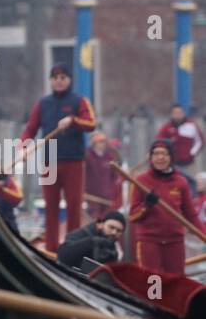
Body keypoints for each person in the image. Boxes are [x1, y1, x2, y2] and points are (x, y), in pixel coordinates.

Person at [20, 64, 96, 250]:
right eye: (55, 78)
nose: (59, 81)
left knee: (73, 206)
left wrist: (73, 121)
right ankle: (52, 248)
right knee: (50, 207)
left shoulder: (79, 101)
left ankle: (72, 246)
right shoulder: (43, 103)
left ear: (69, 80)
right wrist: (23, 147)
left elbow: (91, 124)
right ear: (51, 81)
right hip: (49, 161)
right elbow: (30, 129)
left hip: (73, 161)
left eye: (63, 77)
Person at [128, 139, 206, 276]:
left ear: (171, 157)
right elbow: (133, 216)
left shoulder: (181, 182)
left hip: (175, 241)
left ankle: (173, 298)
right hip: (149, 241)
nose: (160, 157)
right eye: (156, 154)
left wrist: (204, 235)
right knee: (154, 281)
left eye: (164, 154)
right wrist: (147, 205)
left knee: (176, 280)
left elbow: (191, 215)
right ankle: (154, 298)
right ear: (151, 158)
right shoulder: (140, 181)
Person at [57, 212, 125, 271]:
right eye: (111, 227)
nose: (114, 232)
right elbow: (63, 256)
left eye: (118, 231)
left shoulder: (113, 250)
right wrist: (90, 242)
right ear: (101, 224)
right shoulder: (81, 234)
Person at [83, 130, 122, 220]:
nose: (103, 144)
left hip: (106, 196)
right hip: (92, 197)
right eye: (100, 142)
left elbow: (114, 176)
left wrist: (112, 190)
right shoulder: (87, 156)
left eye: (104, 142)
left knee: (106, 219)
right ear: (94, 143)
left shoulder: (109, 156)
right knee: (93, 219)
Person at [155, 103, 204, 171]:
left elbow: (200, 141)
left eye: (179, 112)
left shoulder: (191, 125)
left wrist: (192, 153)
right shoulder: (166, 128)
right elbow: (159, 142)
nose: (177, 115)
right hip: (172, 163)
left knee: (189, 180)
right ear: (171, 114)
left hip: (188, 162)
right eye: (175, 113)